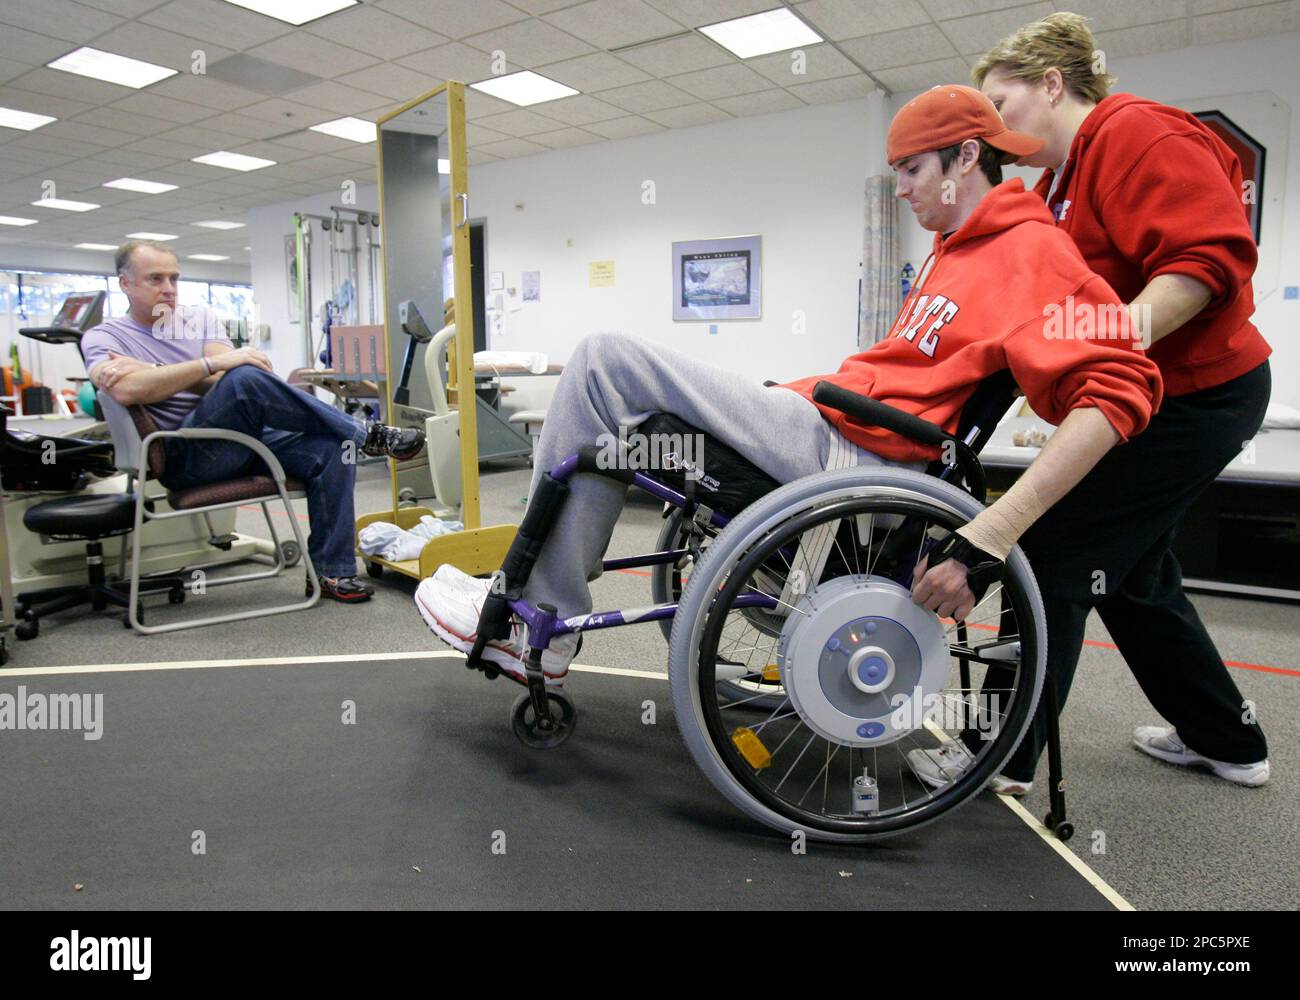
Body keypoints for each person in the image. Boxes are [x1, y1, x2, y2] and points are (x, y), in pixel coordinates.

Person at [416, 84, 1163, 750]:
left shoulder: (1034, 252)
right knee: (618, 425)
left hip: (856, 455)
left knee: (604, 359)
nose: (899, 188)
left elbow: (1125, 386)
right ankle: (534, 615)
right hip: (830, 422)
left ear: (966, 157)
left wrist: (993, 535)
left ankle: (531, 620)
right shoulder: (953, 250)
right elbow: (908, 369)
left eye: (910, 169)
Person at [906, 11, 1276, 792]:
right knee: (1134, 577)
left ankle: (995, 758)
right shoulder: (1057, 184)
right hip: (1154, 395)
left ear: (1052, 83)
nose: (999, 132)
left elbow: (1209, 259)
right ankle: (1229, 740)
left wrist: (1115, 342)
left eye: (1004, 108)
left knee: (1053, 551)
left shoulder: (1138, 132)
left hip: (1201, 395)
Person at [82, 240, 425, 603]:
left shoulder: (197, 321)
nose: (168, 288)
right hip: (187, 456)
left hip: (243, 441)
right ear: (125, 283)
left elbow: (238, 371)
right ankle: (366, 434)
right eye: (155, 278)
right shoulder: (104, 337)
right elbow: (126, 390)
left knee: (332, 449)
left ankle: (331, 572)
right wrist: (206, 367)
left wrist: (159, 372)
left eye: (174, 278)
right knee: (243, 382)